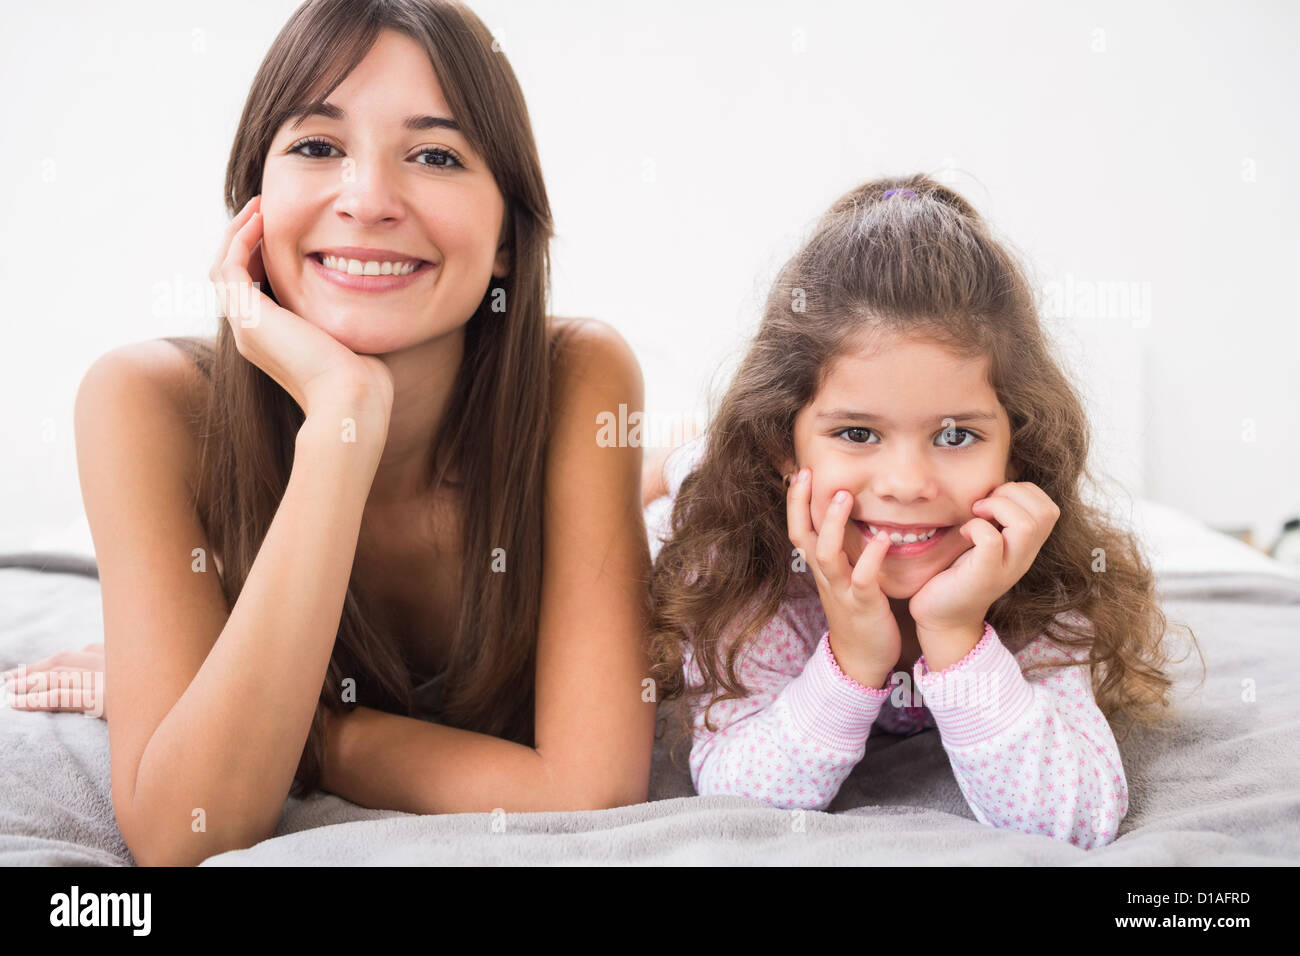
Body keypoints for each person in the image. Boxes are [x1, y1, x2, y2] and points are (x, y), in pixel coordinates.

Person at [1, 0, 655, 867]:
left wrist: (303, 726)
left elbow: (589, 791)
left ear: (508, 239)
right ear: (254, 205)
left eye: (434, 154)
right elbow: (181, 832)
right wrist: (342, 421)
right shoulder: (141, 402)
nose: (369, 200)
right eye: (317, 146)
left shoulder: (584, 377)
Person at [645, 175, 1206, 848]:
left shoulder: (1035, 578)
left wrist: (956, 631)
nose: (908, 484)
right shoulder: (743, 566)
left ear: (1017, 453)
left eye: (955, 435)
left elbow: (1071, 818)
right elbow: (742, 792)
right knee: (676, 471)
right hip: (712, 486)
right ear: (781, 446)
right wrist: (852, 658)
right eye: (857, 433)